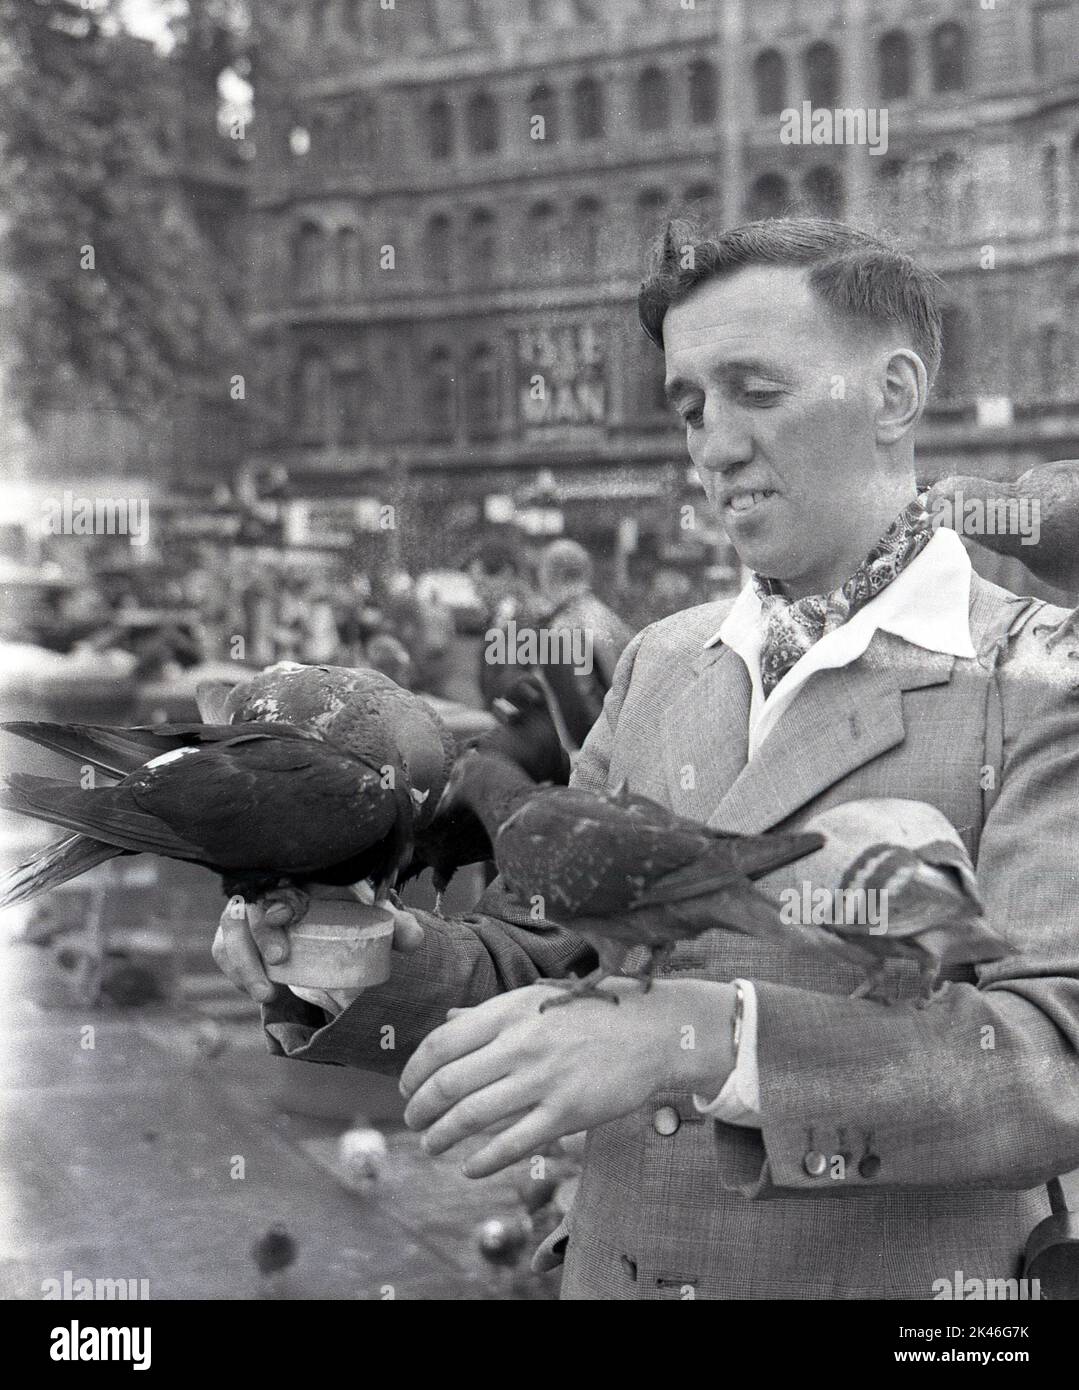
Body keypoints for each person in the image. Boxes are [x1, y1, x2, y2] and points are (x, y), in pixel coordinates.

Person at [213, 218, 1079, 1299]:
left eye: (753, 392)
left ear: (893, 394)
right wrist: (357, 958)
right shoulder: (661, 660)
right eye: (687, 405)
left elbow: (1053, 1064)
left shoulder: (1041, 675)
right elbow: (556, 957)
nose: (709, 446)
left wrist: (698, 1036)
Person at [530, 539, 634, 748]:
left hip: (598, 754)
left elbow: (580, 708)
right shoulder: (609, 618)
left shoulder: (564, 628)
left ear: (552, 575)